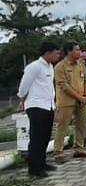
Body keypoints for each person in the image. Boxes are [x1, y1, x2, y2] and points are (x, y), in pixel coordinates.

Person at [17, 41, 60, 178]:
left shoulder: (50, 67)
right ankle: (34, 168)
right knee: (36, 137)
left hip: (48, 106)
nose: (58, 55)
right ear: (47, 53)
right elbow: (24, 86)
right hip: (36, 106)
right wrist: (22, 100)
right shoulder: (34, 67)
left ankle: (42, 163)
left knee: (45, 137)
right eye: (56, 52)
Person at [53, 42, 86, 163]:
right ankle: (58, 152)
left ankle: (79, 149)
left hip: (81, 101)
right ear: (69, 51)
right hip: (66, 102)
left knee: (81, 125)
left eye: (79, 50)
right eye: (77, 50)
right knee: (62, 127)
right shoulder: (60, 67)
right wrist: (79, 97)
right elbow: (64, 86)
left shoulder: (81, 64)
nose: (79, 52)